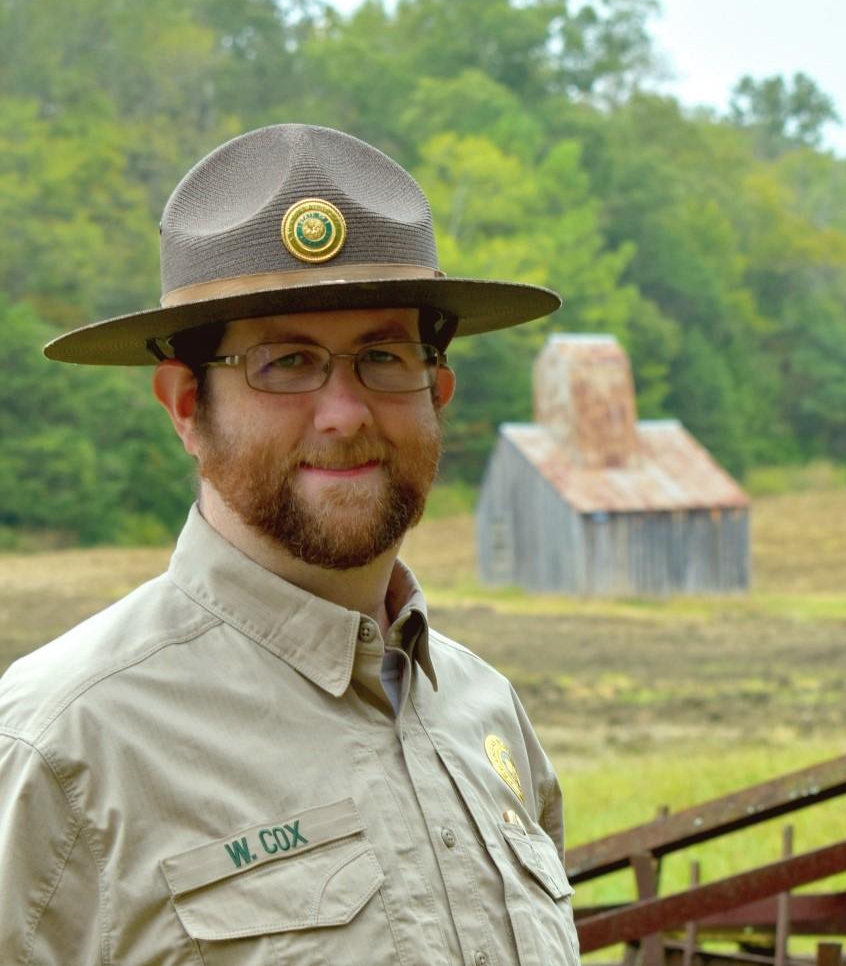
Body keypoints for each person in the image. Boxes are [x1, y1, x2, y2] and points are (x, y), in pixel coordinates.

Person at [0, 124, 579, 965]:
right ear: (186, 406)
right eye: (284, 362)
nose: (345, 413)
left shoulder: (485, 712)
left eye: (383, 355)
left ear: (437, 390)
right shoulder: (59, 750)